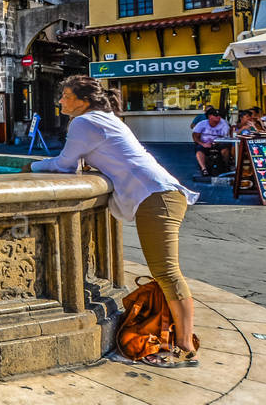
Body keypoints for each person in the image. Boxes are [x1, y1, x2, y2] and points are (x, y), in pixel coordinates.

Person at [30, 76, 200, 367]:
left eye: (66, 95)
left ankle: (184, 344)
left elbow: (64, 164)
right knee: (165, 273)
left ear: (82, 101)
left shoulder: (83, 123)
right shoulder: (104, 118)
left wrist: (30, 166)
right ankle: (176, 333)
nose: (60, 101)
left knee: (167, 272)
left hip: (155, 197)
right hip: (161, 193)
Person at [190, 107, 231, 176]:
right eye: (215, 115)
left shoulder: (223, 123)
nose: (218, 117)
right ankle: (204, 169)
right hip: (204, 143)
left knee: (225, 149)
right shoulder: (202, 124)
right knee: (199, 150)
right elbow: (195, 136)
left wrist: (216, 142)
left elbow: (226, 136)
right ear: (209, 116)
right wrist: (203, 144)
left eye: (219, 115)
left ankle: (226, 166)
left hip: (219, 142)